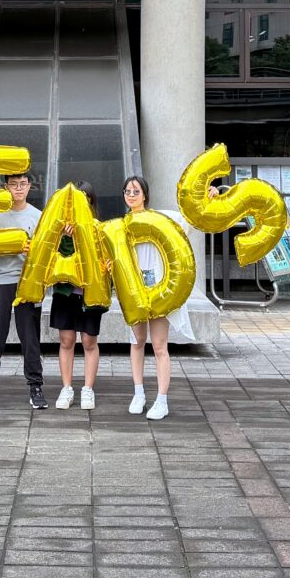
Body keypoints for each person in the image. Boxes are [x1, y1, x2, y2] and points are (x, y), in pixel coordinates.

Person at [0, 169, 48, 411]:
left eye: (23, 183)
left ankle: (36, 387)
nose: (18, 188)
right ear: (5, 187)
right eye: (13, 184)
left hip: (26, 282)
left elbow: (44, 253)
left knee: (30, 338)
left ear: (29, 187)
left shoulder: (38, 216)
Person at [51, 181, 106, 410]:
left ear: (91, 203)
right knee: (66, 340)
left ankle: (88, 389)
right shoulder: (60, 228)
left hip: (90, 296)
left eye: (86, 199)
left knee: (89, 341)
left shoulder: (98, 228)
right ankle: (66, 388)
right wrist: (65, 237)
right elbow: (55, 259)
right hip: (65, 292)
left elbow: (105, 260)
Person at [123, 175, 172, 422]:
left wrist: (209, 197)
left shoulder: (158, 219)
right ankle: (138, 393)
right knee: (137, 340)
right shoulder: (122, 225)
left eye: (136, 191)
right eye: (127, 191)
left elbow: (189, 221)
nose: (131, 194)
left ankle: (162, 400)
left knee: (160, 344)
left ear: (145, 195)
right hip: (135, 289)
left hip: (158, 287)